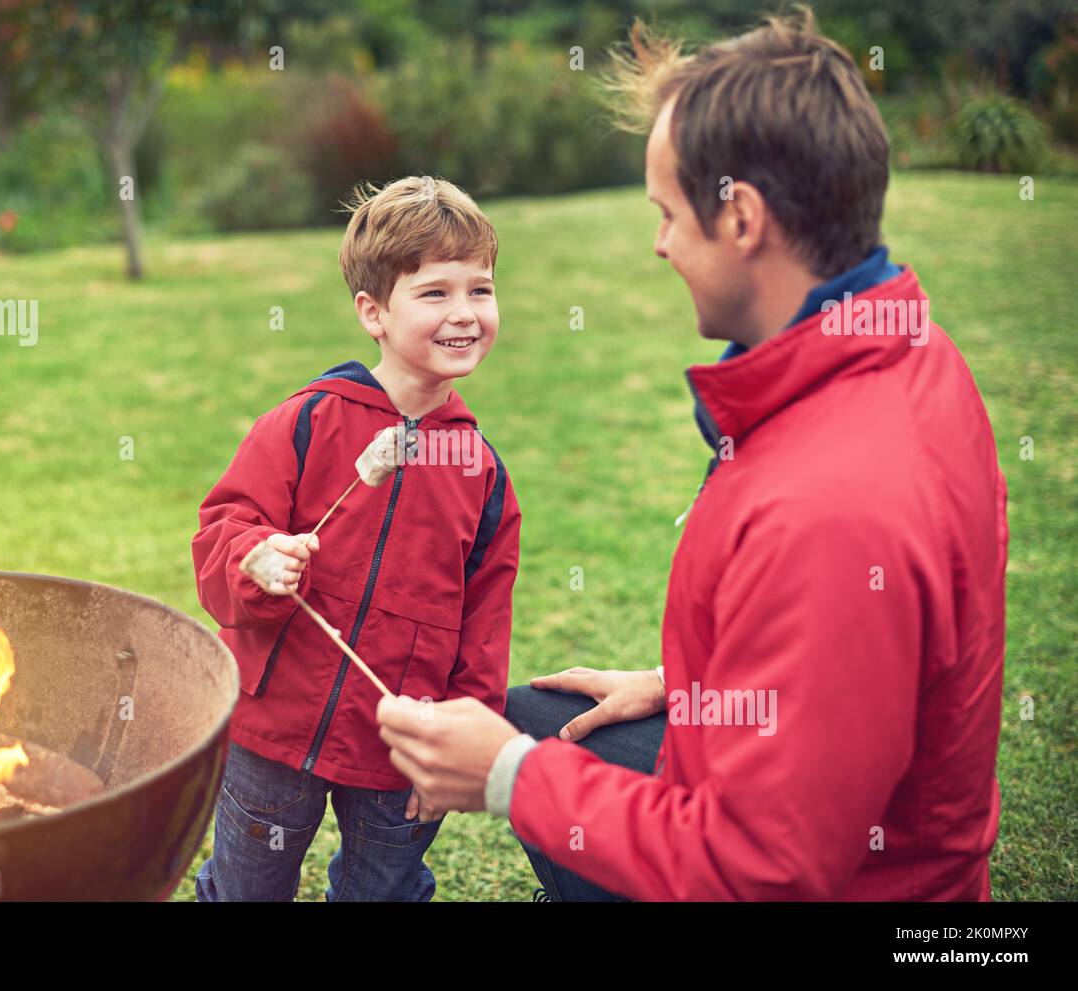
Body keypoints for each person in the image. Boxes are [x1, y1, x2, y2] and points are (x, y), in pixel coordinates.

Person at [377, 9, 1007, 901]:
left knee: (521, 748)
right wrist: (691, 688)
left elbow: (767, 872)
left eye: (669, 213)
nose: (659, 242)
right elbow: (862, 664)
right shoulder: (910, 346)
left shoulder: (833, 507)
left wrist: (508, 777)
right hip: (813, 792)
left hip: (869, 887)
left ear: (741, 217)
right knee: (543, 716)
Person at [191, 175, 521, 901]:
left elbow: (485, 622)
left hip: (400, 743)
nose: (464, 313)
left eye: (481, 290)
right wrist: (256, 560)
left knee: (384, 890)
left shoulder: (482, 472)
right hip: (274, 726)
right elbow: (223, 533)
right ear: (372, 311)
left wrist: (463, 734)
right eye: (435, 293)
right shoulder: (307, 422)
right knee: (248, 888)